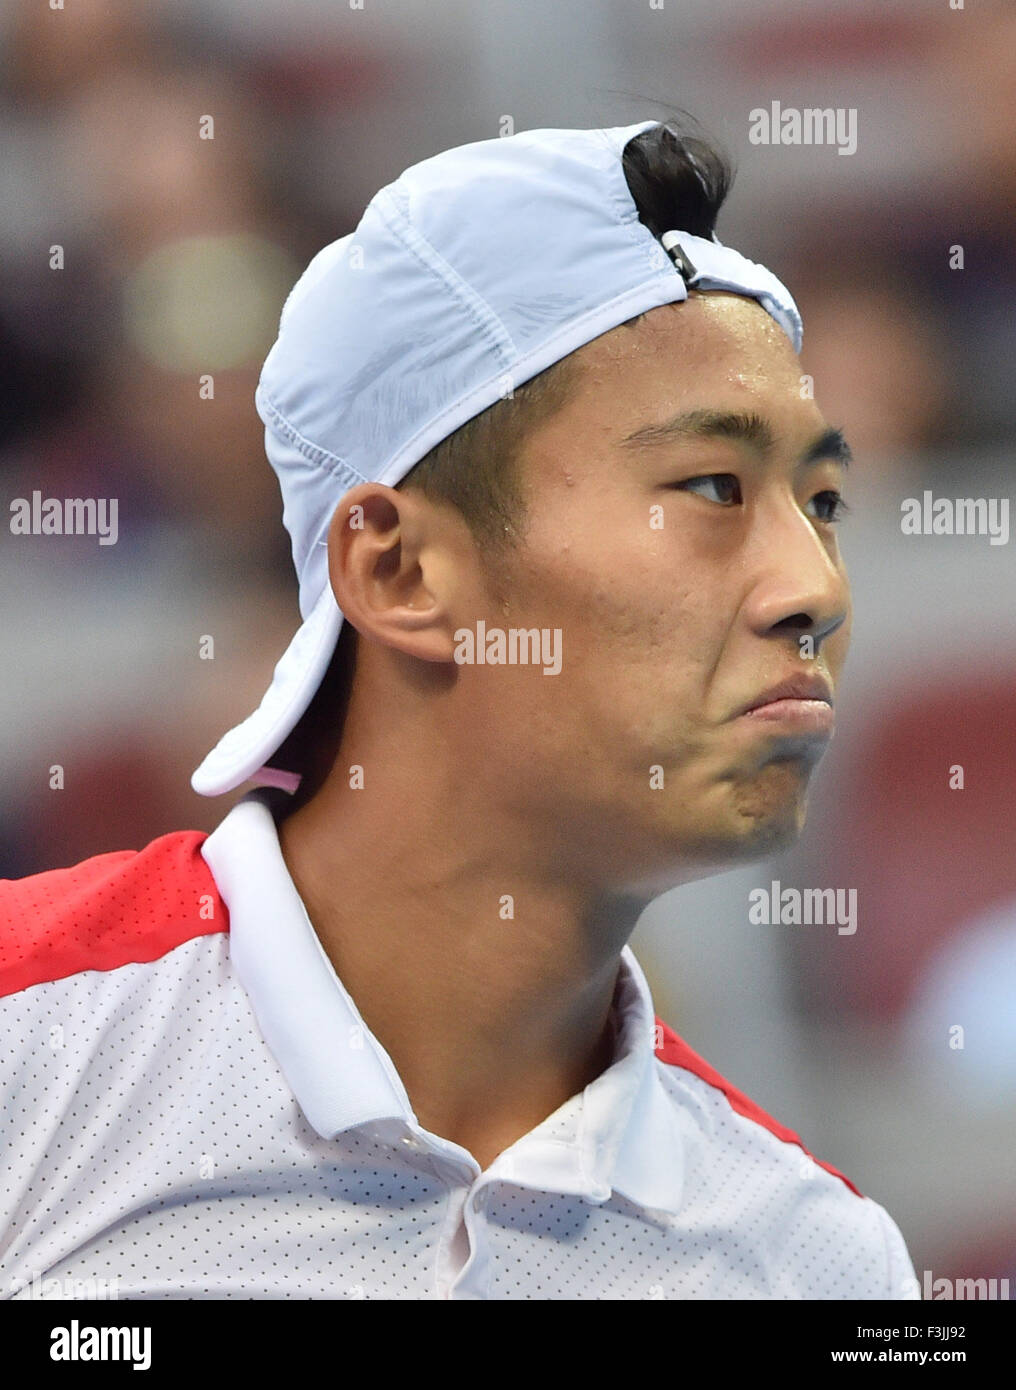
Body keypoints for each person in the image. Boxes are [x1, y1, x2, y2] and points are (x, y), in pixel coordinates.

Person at [0, 117, 919, 1300]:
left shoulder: (824, 1268)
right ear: (396, 572)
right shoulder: (28, 1048)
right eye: (709, 487)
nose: (815, 591)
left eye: (824, 500)